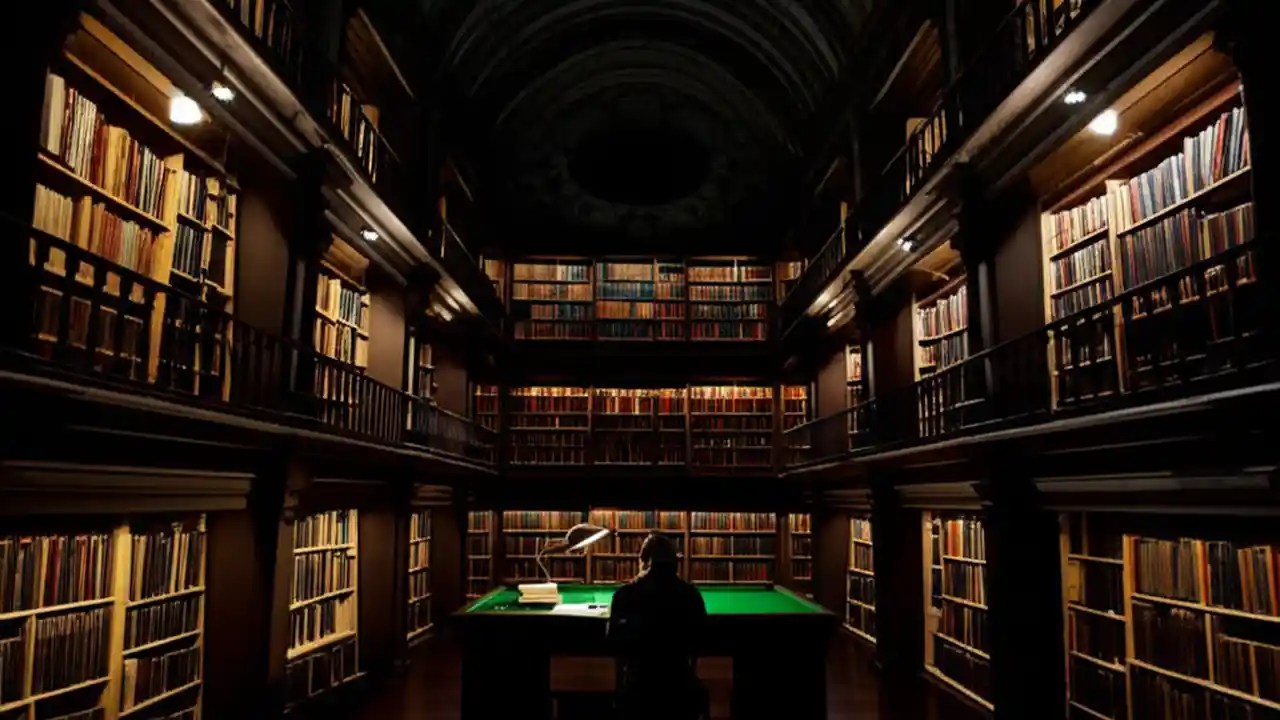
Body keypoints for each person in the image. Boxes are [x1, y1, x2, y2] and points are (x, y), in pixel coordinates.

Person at [607, 532, 708, 720]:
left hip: (638, 689)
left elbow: (614, 641)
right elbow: (701, 641)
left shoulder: (625, 595)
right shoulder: (691, 595)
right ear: (675, 564)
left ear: (644, 561)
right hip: (680, 688)